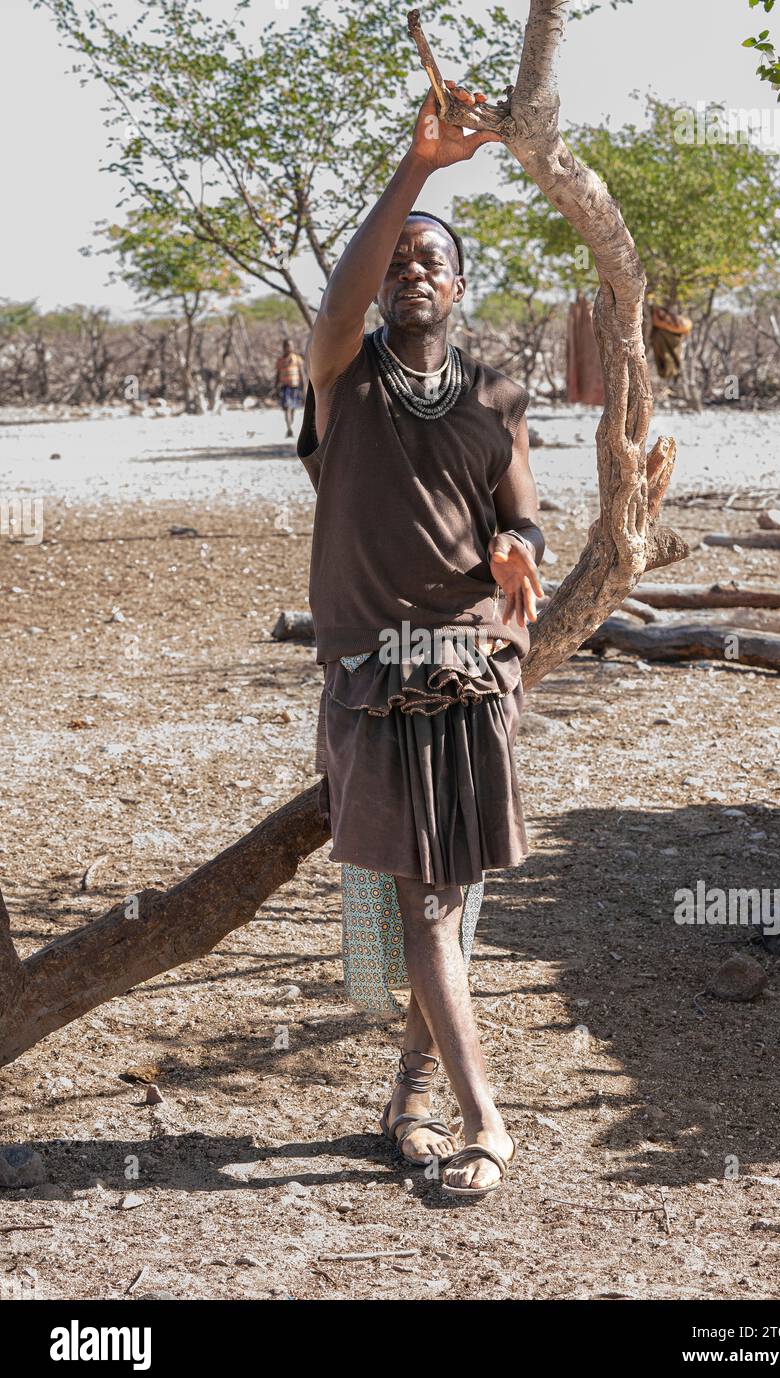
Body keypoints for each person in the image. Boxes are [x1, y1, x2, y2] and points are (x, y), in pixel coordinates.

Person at [297, 80, 545, 1196]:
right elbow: (335, 308)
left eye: (430, 258)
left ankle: (413, 1091)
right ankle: (485, 1119)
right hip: (374, 677)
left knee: (449, 899)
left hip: (474, 671)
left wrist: (519, 549)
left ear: (459, 284)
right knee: (419, 909)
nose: (411, 270)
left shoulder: (497, 395)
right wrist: (419, 171)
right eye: (398, 258)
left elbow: (522, 511)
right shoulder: (343, 378)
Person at [274, 338, 305, 436]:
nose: (288, 348)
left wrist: (304, 387)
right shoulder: (280, 361)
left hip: (295, 386)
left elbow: (302, 373)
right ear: (283, 347)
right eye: (286, 346)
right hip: (285, 387)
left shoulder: (297, 359)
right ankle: (289, 428)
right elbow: (277, 375)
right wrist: (276, 387)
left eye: (290, 345)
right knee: (287, 407)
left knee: (293, 407)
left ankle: (290, 424)